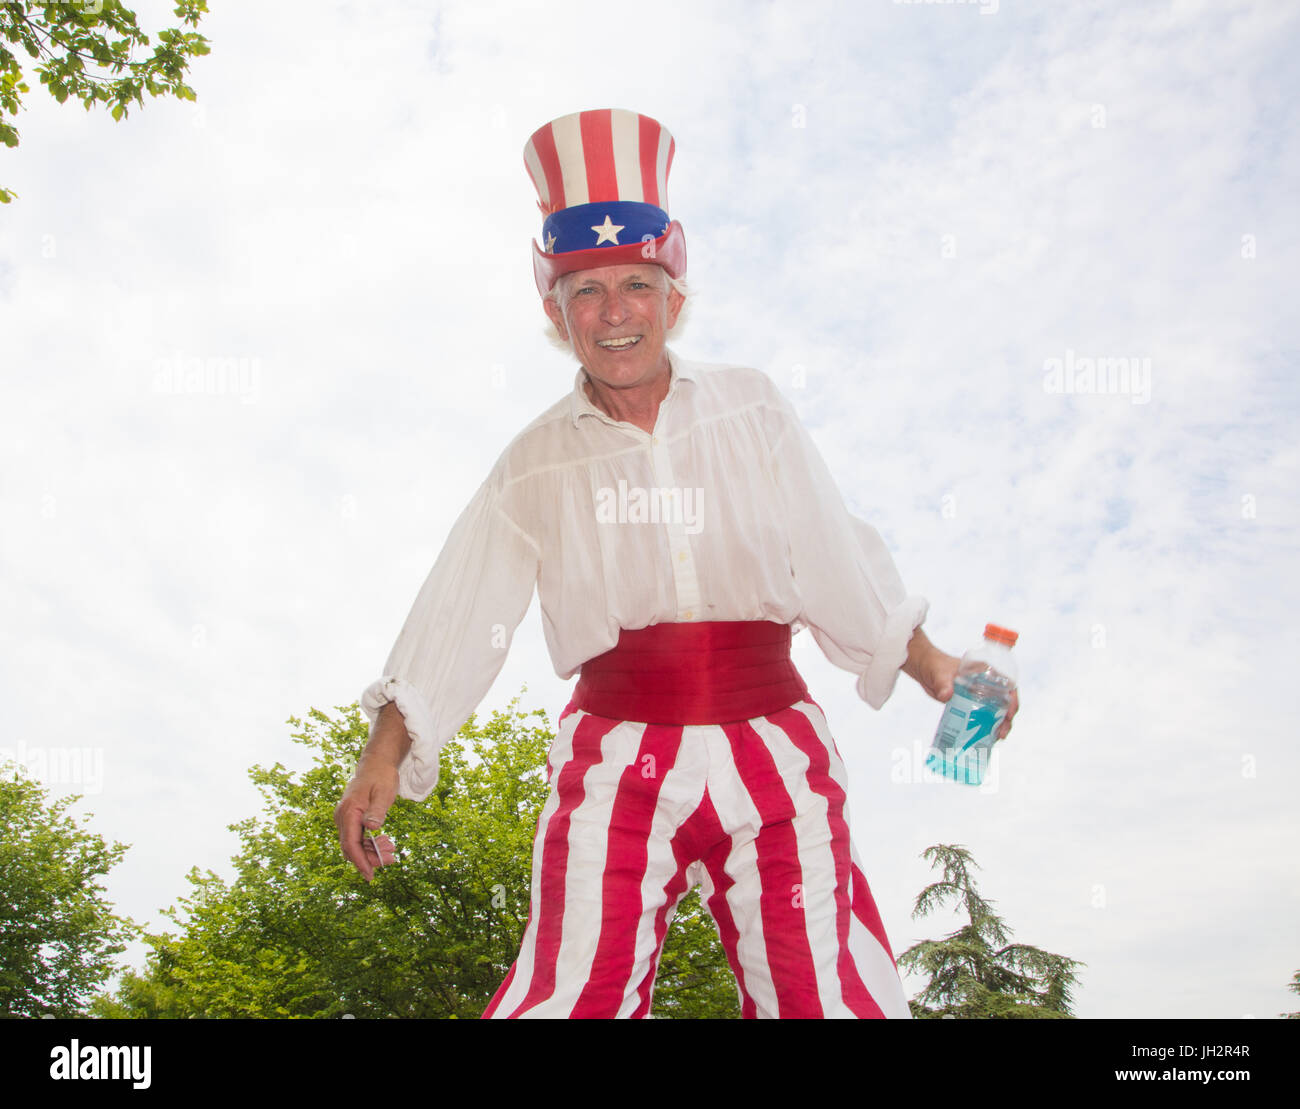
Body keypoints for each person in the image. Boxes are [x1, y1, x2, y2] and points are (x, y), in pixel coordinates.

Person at [335, 108, 1018, 1019]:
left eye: (635, 285)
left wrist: (935, 666)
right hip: (616, 754)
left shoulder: (753, 409)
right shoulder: (534, 463)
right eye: (586, 291)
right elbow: (464, 604)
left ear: (674, 299)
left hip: (775, 736)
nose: (614, 313)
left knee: (825, 992)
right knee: (567, 992)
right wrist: (383, 751)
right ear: (555, 313)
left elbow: (831, 548)